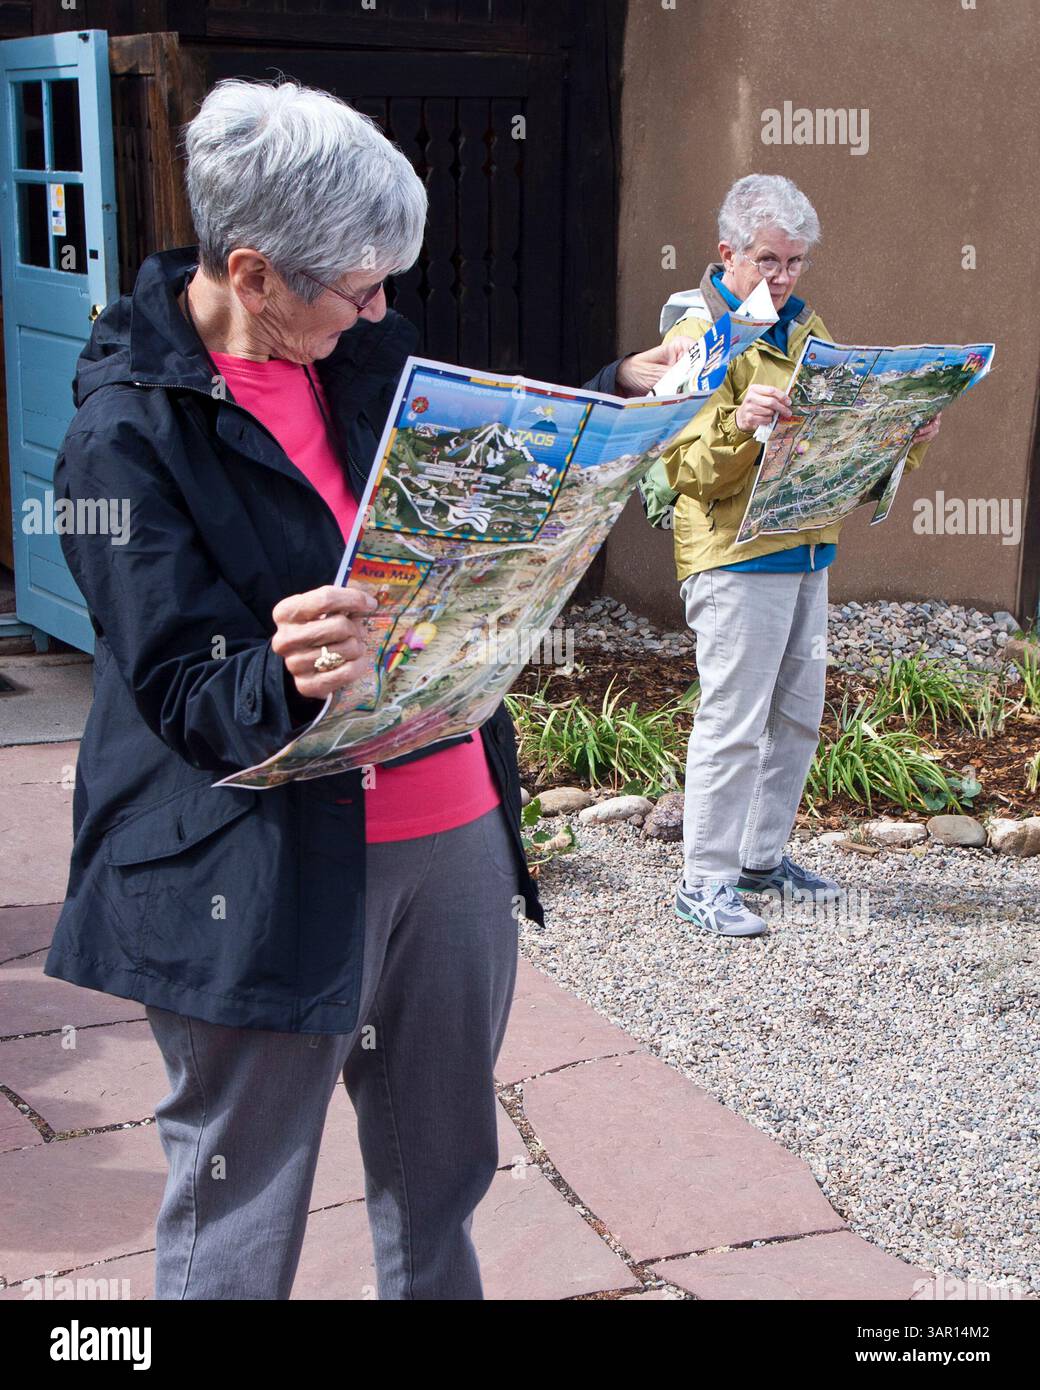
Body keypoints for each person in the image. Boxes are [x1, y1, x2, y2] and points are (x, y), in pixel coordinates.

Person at [43, 77, 693, 1300]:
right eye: (356, 286)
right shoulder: (122, 439)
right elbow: (184, 693)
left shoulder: (359, 351)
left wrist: (614, 399)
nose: (384, 308)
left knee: (441, 1175)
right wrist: (279, 672)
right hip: (261, 867)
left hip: (446, 832)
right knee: (239, 1213)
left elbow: (478, 473)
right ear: (252, 271)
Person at [658, 174, 941, 938]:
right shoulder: (696, 335)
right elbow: (683, 469)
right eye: (769, 260)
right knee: (733, 720)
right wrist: (742, 424)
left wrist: (899, 440)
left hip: (808, 547)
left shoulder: (807, 331)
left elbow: (837, 462)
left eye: (796, 263)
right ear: (728, 254)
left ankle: (760, 859)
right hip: (733, 556)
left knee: (796, 718)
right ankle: (703, 883)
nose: (783, 277)